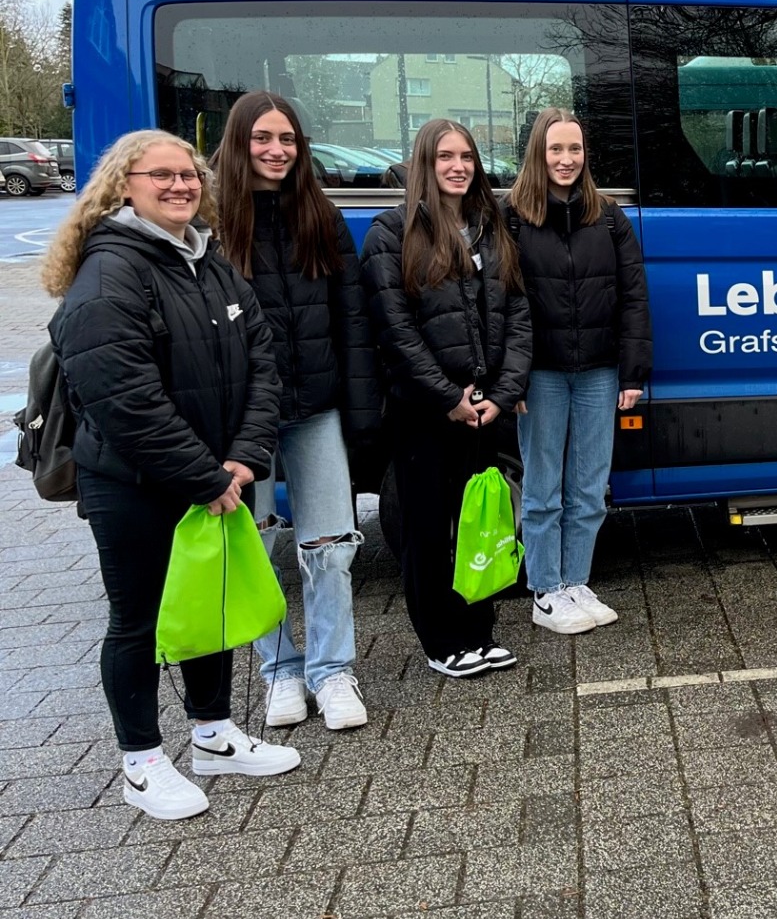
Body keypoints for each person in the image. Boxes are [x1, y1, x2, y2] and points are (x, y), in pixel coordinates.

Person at [45, 131, 299, 820]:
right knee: (138, 621)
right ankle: (142, 764)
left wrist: (244, 457)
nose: (182, 186)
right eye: (162, 176)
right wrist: (204, 476)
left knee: (205, 610)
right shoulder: (109, 273)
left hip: (216, 476)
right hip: (134, 484)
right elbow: (123, 399)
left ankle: (213, 735)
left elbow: (262, 362)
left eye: (189, 175)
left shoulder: (207, 260)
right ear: (124, 184)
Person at [211, 92, 380, 730]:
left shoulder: (321, 217)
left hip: (315, 408)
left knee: (331, 545)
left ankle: (333, 671)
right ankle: (279, 671)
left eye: (287, 138)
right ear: (238, 143)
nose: (277, 150)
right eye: (262, 138)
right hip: (240, 419)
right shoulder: (215, 223)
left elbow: (352, 322)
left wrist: (361, 410)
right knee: (255, 546)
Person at [361, 119, 532, 677]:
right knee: (428, 530)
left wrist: (503, 395)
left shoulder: (491, 229)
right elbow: (395, 332)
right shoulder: (392, 234)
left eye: (466, 157)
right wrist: (446, 398)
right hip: (426, 412)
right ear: (423, 166)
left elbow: (519, 317)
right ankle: (441, 641)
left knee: (480, 521)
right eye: (444, 157)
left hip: (483, 410)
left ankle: (478, 632)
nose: (458, 167)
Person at [506, 108, 651, 634]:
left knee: (590, 487)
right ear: (537, 155)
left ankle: (575, 582)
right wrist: (511, 377)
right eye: (554, 150)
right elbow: (500, 302)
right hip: (540, 372)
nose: (565, 160)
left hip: (599, 371)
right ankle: (545, 590)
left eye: (574, 150)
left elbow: (633, 296)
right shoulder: (513, 217)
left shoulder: (609, 217)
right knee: (543, 486)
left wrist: (632, 374)